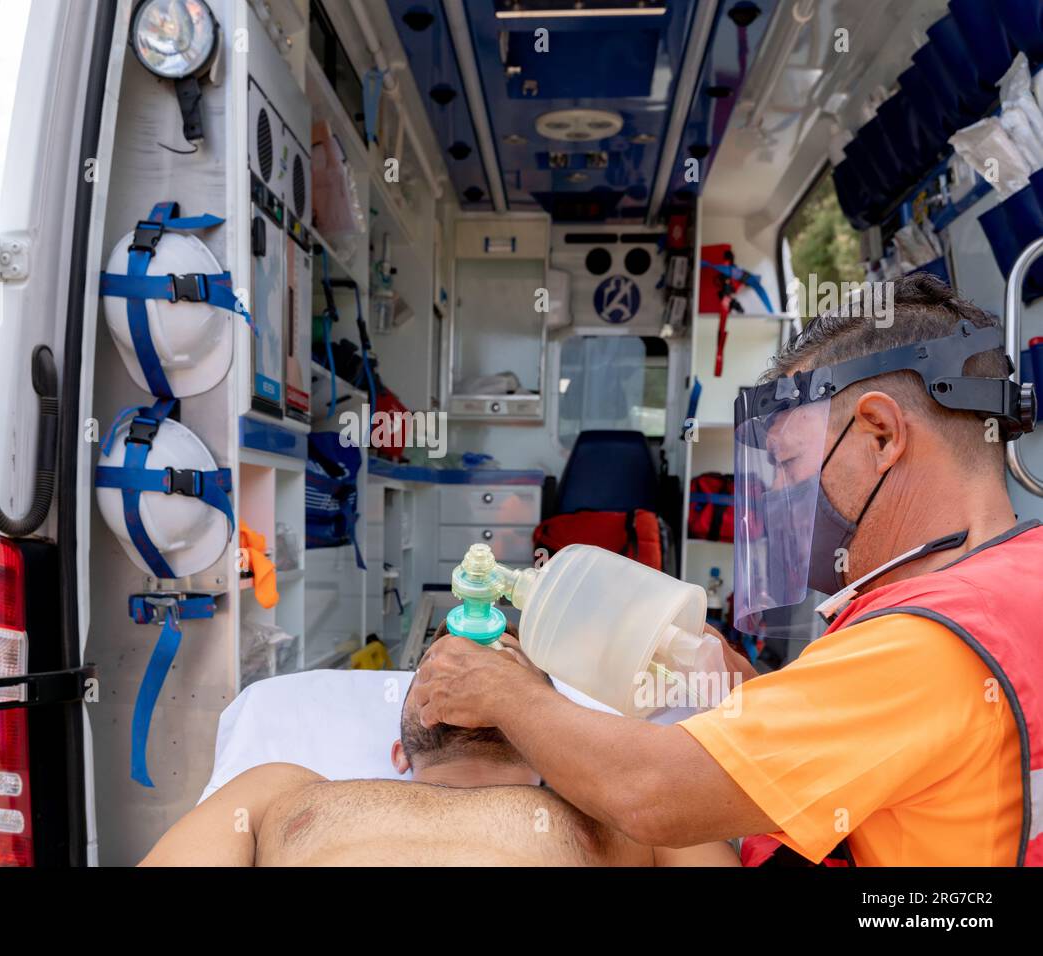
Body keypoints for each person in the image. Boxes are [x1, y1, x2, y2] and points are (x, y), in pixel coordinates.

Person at [410, 275, 1042, 867]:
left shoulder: (930, 643)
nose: (788, 499)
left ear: (879, 434)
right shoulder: (1009, 576)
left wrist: (502, 692)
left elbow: (651, 795)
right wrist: (747, 691)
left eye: (792, 465)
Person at [140, 634, 738, 866]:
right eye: (438, 671)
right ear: (398, 750)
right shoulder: (278, 786)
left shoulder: (634, 808)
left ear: (553, 745)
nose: (469, 669)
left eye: (505, 670)